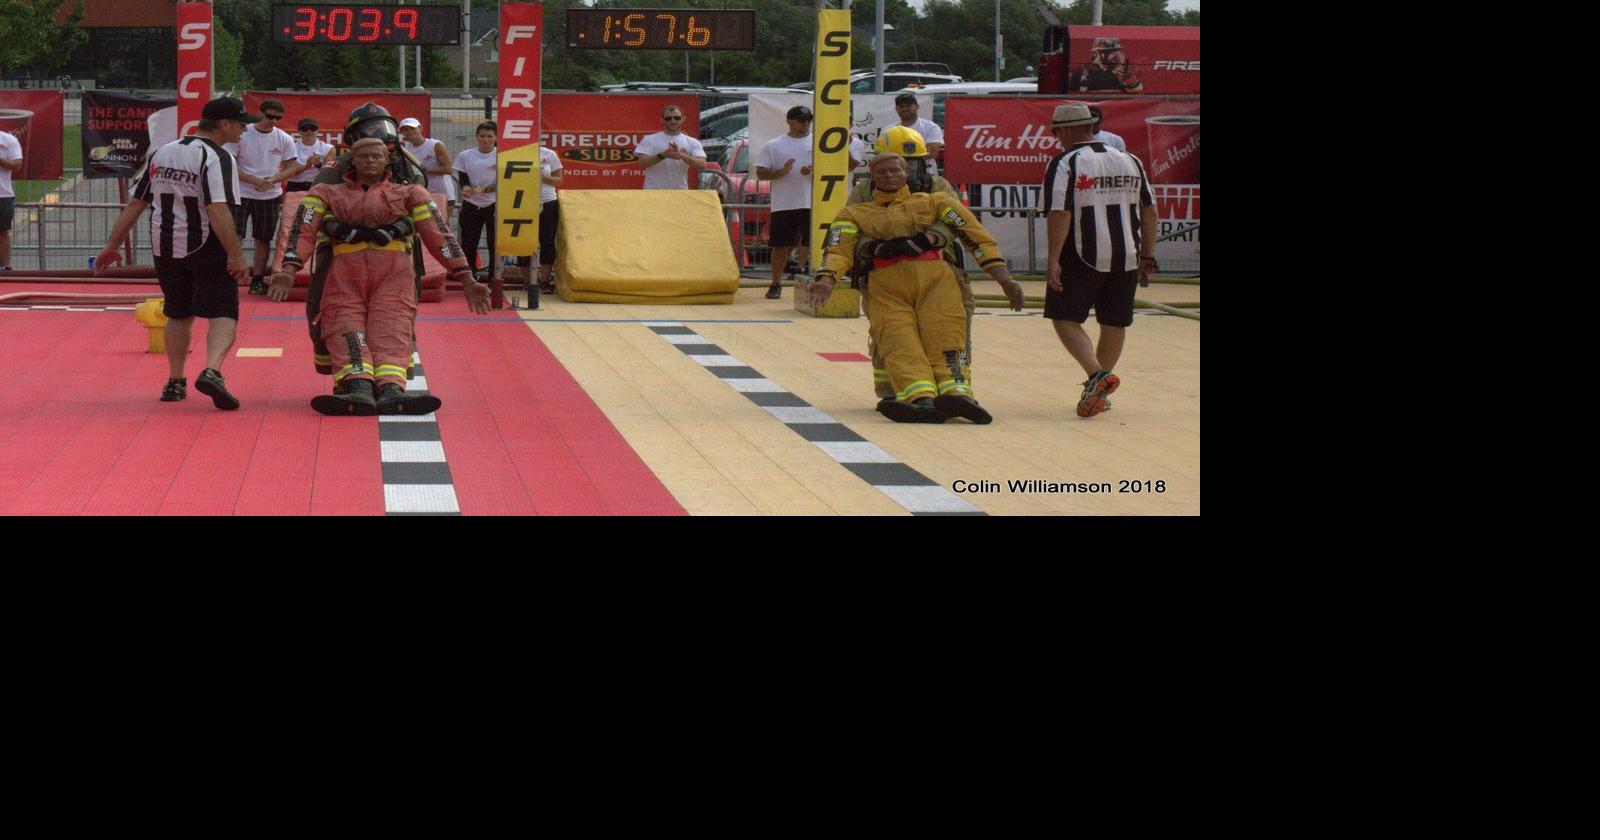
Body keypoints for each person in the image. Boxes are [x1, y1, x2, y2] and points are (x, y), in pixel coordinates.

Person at [270, 137, 490, 416]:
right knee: (344, 324)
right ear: (352, 160)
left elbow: (439, 235)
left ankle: (392, 390)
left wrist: (466, 277)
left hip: (394, 275)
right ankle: (357, 386)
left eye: (377, 156)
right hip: (343, 274)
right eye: (364, 156)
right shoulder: (324, 192)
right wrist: (288, 269)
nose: (370, 160)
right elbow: (303, 230)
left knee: (392, 327)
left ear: (388, 159)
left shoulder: (411, 193)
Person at [808, 153, 1023, 424]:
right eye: (881, 172)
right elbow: (838, 249)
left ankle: (958, 394)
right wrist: (826, 279)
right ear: (872, 178)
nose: (888, 176)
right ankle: (919, 398)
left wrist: (1004, 280)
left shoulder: (938, 202)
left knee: (949, 336)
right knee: (898, 341)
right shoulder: (852, 214)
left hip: (938, 282)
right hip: (886, 287)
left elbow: (975, 237)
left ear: (905, 173)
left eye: (894, 170)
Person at [93, 96, 254, 410]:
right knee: (224, 311)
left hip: (165, 245)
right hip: (206, 243)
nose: (243, 130)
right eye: (240, 124)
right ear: (224, 125)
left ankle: (175, 380)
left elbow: (137, 203)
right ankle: (212, 370)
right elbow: (217, 209)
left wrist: (112, 245)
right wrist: (235, 254)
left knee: (178, 312)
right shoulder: (218, 157)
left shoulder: (163, 152)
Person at [295, 102, 433, 378]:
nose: (381, 133)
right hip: (340, 253)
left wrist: (397, 227)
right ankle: (346, 371)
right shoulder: (337, 167)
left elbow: (420, 207)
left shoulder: (406, 165)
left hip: (395, 254)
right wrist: (341, 228)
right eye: (372, 128)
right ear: (354, 137)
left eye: (385, 127)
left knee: (397, 313)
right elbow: (316, 206)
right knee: (328, 307)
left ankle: (394, 372)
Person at [846, 126, 977, 413]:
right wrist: (875, 247)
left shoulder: (938, 186)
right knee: (889, 332)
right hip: (883, 274)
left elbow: (957, 220)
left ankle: (956, 389)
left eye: (913, 162)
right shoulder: (863, 191)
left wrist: (930, 238)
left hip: (940, 270)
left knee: (953, 330)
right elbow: (849, 228)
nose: (900, 170)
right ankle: (892, 390)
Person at [1040, 102, 1157, 418]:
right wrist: (1148, 253)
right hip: (1128, 254)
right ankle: (1098, 391)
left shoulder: (1066, 161)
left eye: (1056, 133)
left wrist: (1053, 259)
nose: (1056, 139)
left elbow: (1060, 212)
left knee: (1064, 316)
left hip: (1082, 253)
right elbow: (1149, 210)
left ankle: (1096, 375)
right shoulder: (1130, 159)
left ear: (1065, 130)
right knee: (1114, 321)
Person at [223, 98, 298, 295]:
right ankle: (229, 277)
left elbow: (292, 167)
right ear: (260, 113)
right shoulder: (243, 133)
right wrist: (251, 179)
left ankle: (257, 280)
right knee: (234, 236)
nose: (273, 121)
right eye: (270, 116)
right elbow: (228, 164)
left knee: (263, 239)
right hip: (241, 193)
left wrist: (273, 179)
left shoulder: (284, 138)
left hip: (270, 194)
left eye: (278, 118)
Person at [755, 105, 814, 300]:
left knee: (814, 243)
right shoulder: (774, 145)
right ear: (789, 121)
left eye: (808, 120)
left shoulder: (818, 142)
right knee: (780, 246)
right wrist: (781, 172)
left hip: (812, 202)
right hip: (784, 203)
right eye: (801, 120)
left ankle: (812, 278)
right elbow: (761, 173)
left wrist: (814, 169)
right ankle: (776, 283)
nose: (805, 123)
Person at [453, 121, 499, 279]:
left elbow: (505, 182)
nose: (486, 140)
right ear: (476, 137)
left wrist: (485, 189)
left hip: (494, 205)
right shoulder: (465, 155)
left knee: (495, 243)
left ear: (496, 137)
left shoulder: (502, 156)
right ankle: (470, 275)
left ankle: (494, 276)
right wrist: (466, 188)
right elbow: (463, 177)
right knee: (469, 242)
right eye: (482, 136)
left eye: (489, 136)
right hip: (472, 204)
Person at [398, 116, 456, 224]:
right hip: (421, 195)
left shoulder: (435, 145)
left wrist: (423, 170)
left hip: (442, 193)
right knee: (423, 226)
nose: (409, 131)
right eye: (405, 129)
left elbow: (448, 169)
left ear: (420, 128)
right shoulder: (404, 147)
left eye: (412, 128)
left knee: (442, 225)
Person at [634, 105, 706, 190]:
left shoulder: (692, 141)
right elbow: (642, 162)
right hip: (653, 192)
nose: (673, 121)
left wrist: (682, 156)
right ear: (662, 119)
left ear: (683, 118)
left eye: (677, 118)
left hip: (679, 192)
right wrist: (663, 155)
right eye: (668, 118)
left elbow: (702, 164)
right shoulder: (649, 139)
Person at [535, 143, 564, 293]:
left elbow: (559, 179)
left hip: (547, 201)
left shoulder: (549, 154)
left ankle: (544, 280)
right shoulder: (516, 152)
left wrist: (542, 177)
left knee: (547, 241)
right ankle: (527, 281)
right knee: (524, 241)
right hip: (522, 202)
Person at [1074, 37, 1144, 93]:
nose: (1116, 58)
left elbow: (1139, 93)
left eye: (1117, 53)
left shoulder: (1128, 69)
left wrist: (1126, 77)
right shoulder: (1085, 71)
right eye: (1096, 54)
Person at [285, 117, 333, 193]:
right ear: (299, 131)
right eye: (305, 129)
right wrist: (307, 166)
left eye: (312, 128)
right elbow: (290, 173)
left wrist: (319, 165)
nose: (309, 131)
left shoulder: (328, 148)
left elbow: (329, 173)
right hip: (295, 185)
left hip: (317, 184)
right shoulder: (292, 148)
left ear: (318, 130)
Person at [893, 92, 944, 162]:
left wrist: (899, 156)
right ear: (896, 109)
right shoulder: (888, 129)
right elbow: (884, 153)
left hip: (925, 169)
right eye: (901, 106)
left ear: (917, 107)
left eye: (908, 105)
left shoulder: (931, 127)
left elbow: (932, 153)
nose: (905, 108)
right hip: (895, 168)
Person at [0, 126, 22, 271]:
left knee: (2, 232)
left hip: (3, 195)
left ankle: (4, 267)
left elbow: (17, 165)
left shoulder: (8, 139)